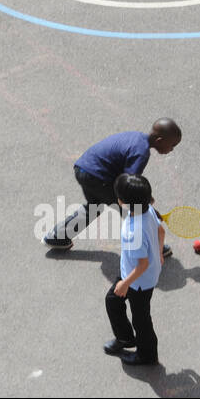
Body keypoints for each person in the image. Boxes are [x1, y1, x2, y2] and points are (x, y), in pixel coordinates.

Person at [43, 118, 181, 252]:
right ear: (159, 141)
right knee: (137, 211)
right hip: (98, 177)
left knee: (94, 207)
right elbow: (129, 186)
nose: (172, 149)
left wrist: (147, 199)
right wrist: (147, 206)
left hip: (83, 169)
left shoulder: (137, 137)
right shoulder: (141, 152)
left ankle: (57, 237)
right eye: (172, 145)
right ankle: (154, 247)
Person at [104, 173, 164, 365]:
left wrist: (124, 284)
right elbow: (161, 230)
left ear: (122, 202)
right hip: (134, 275)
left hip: (138, 282)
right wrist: (160, 252)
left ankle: (147, 355)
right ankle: (125, 338)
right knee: (113, 301)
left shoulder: (133, 232)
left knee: (141, 320)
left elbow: (142, 264)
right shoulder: (149, 211)